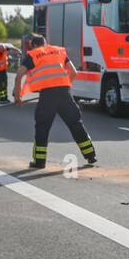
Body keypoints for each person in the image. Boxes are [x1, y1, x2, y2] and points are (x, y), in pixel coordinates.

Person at [13, 33, 96, 169]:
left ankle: (39, 162)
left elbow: (19, 75)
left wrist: (17, 97)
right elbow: (73, 72)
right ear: (45, 43)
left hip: (47, 95)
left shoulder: (33, 54)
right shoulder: (58, 51)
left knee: (42, 127)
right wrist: (64, 86)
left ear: (33, 45)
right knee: (75, 123)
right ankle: (91, 155)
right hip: (64, 93)